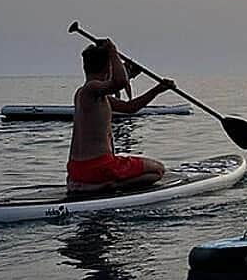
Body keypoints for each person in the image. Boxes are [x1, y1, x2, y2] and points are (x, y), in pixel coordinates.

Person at [67, 39, 176, 195]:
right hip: (99, 168)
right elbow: (120, 82)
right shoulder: (91, 88)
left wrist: (157, 90)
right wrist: (112, 51)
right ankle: (106, 184)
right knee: (158, 170)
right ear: (108, 68)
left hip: (77, 170)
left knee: (152, 172)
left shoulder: (87, 94)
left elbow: (130, 108)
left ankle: (93, 183)